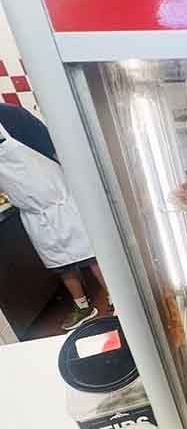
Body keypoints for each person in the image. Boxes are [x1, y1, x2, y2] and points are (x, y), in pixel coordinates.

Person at [0, 102, 109, 331]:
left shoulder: (10, 116)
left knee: (93, 255)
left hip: (63, 200)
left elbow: (53, 147)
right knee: (60, 264)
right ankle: (83, 307)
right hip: (33, 212)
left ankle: (115, 296)